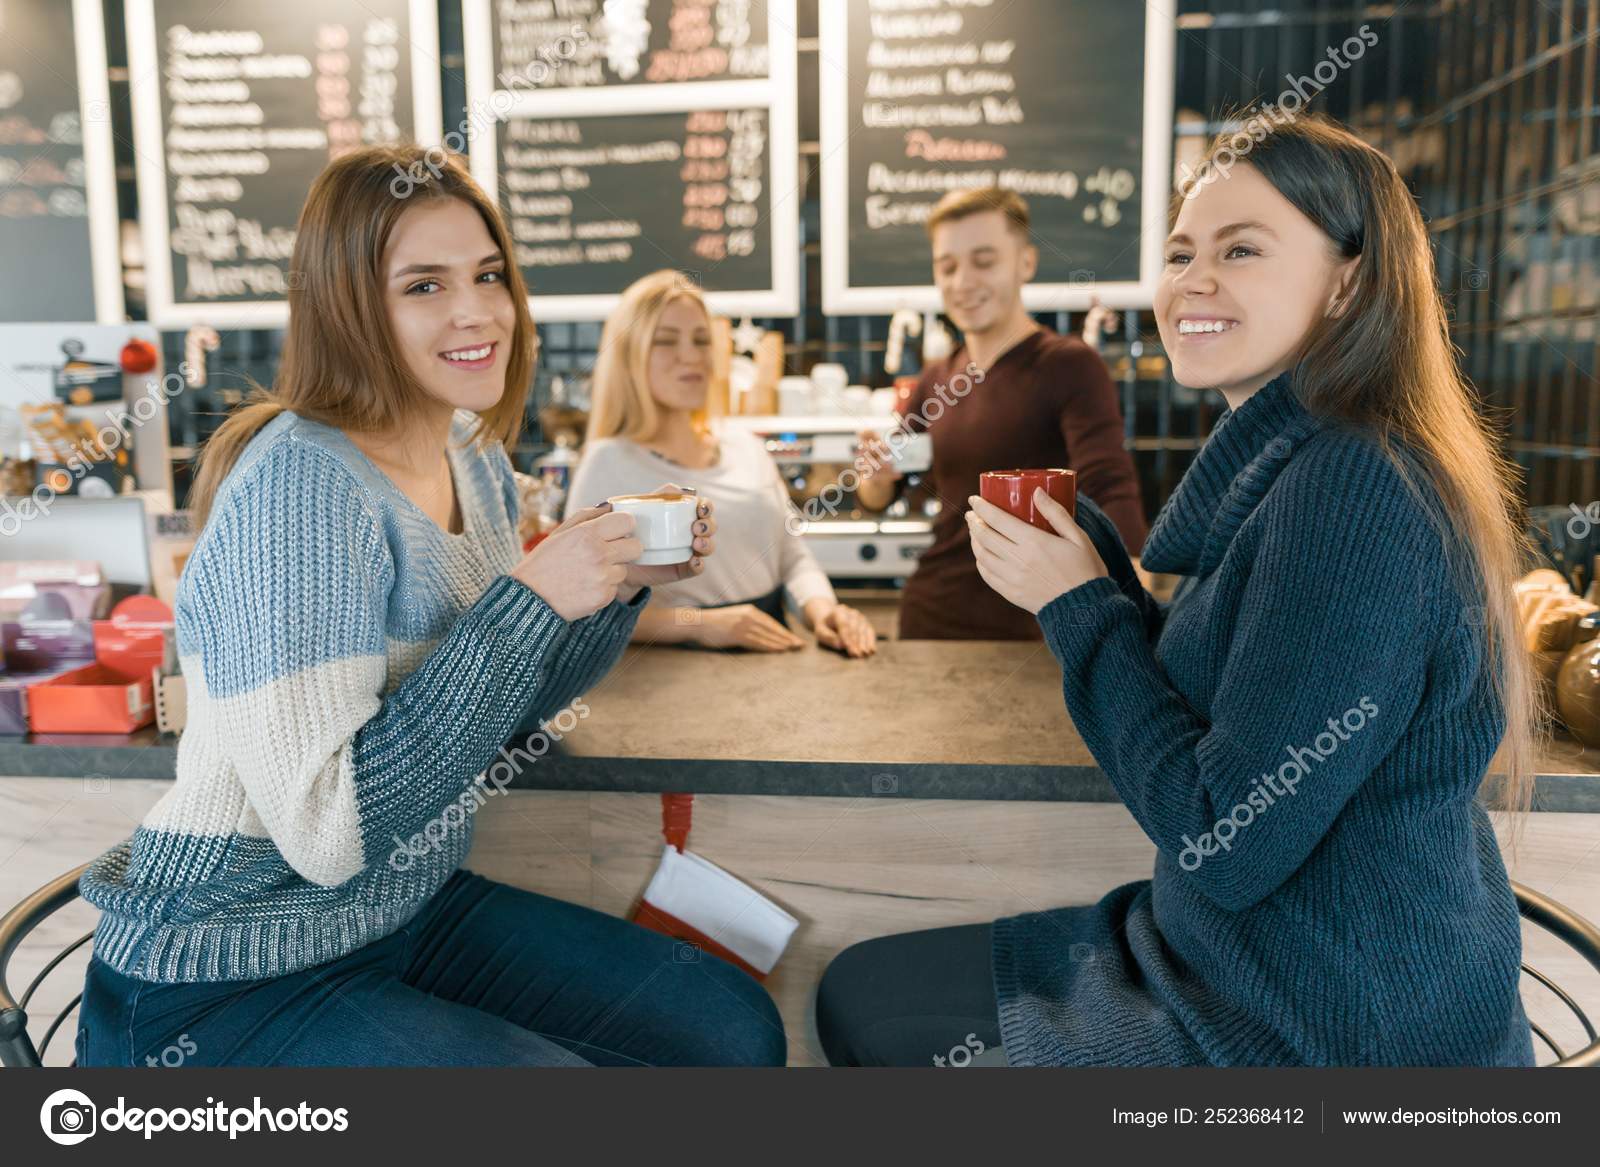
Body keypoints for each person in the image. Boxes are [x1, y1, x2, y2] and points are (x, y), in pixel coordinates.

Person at [816, 115, 1542, 1067]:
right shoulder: (1308, 463)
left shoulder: (1350, 486)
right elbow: (1238, 701)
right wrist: (1098, 577)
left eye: (1241, 250)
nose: (1192, 281)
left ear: (1350, 281)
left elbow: (1225, 837)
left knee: (866, 1006)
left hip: (1323, 1027)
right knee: (860, 992)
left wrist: (1078, 607)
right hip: (1240, 962)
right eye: (1179, 252)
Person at [75, 146, 786, 1068]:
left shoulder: (473, 455)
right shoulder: (305, 488)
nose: (477, 310)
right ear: (349, 307)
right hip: (227, 968)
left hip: (396, 906)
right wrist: (529, 599)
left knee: (730, 1026)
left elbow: (508, 711)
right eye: (423, 285)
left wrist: (612, 585)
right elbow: (331, 832)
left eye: (488, 274)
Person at [855, 187, 1147, 640]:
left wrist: (1135, 593)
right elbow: (881, 495)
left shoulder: (1068, 365)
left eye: (984, 261)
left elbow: (1110, 484)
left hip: (1036, 627)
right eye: (947, 266)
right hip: (931, 619)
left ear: (1026, 263)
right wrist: (874, 478)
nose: (962, 282)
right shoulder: (936, 379)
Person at [565, 269, 877, 658]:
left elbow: (791, 557)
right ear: (629, 356)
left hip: (771, 652)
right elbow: (581, 608)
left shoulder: (744, 446)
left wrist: (823, 611)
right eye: (666, 341)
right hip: (671, 673)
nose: (690, 356)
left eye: (701, 340)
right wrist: (703, 623)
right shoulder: (608, 463)